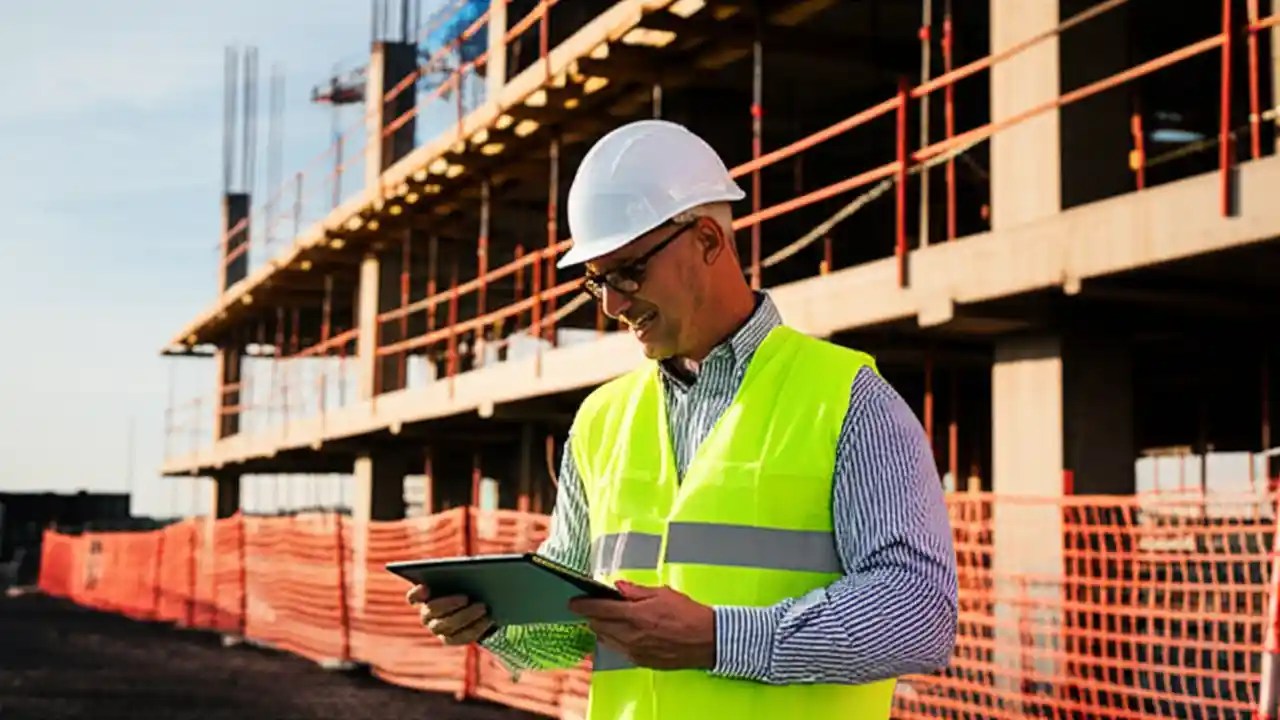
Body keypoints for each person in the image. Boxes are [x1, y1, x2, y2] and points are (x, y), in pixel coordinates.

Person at [407, 119, 958, 719]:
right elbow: (574, 630)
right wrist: (491, 619)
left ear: (708, 240)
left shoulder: (849, 401)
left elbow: (919, 613)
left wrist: (719, 639)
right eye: (597, 282)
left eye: (628, 272)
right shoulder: (600, 420)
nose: (613, 304)